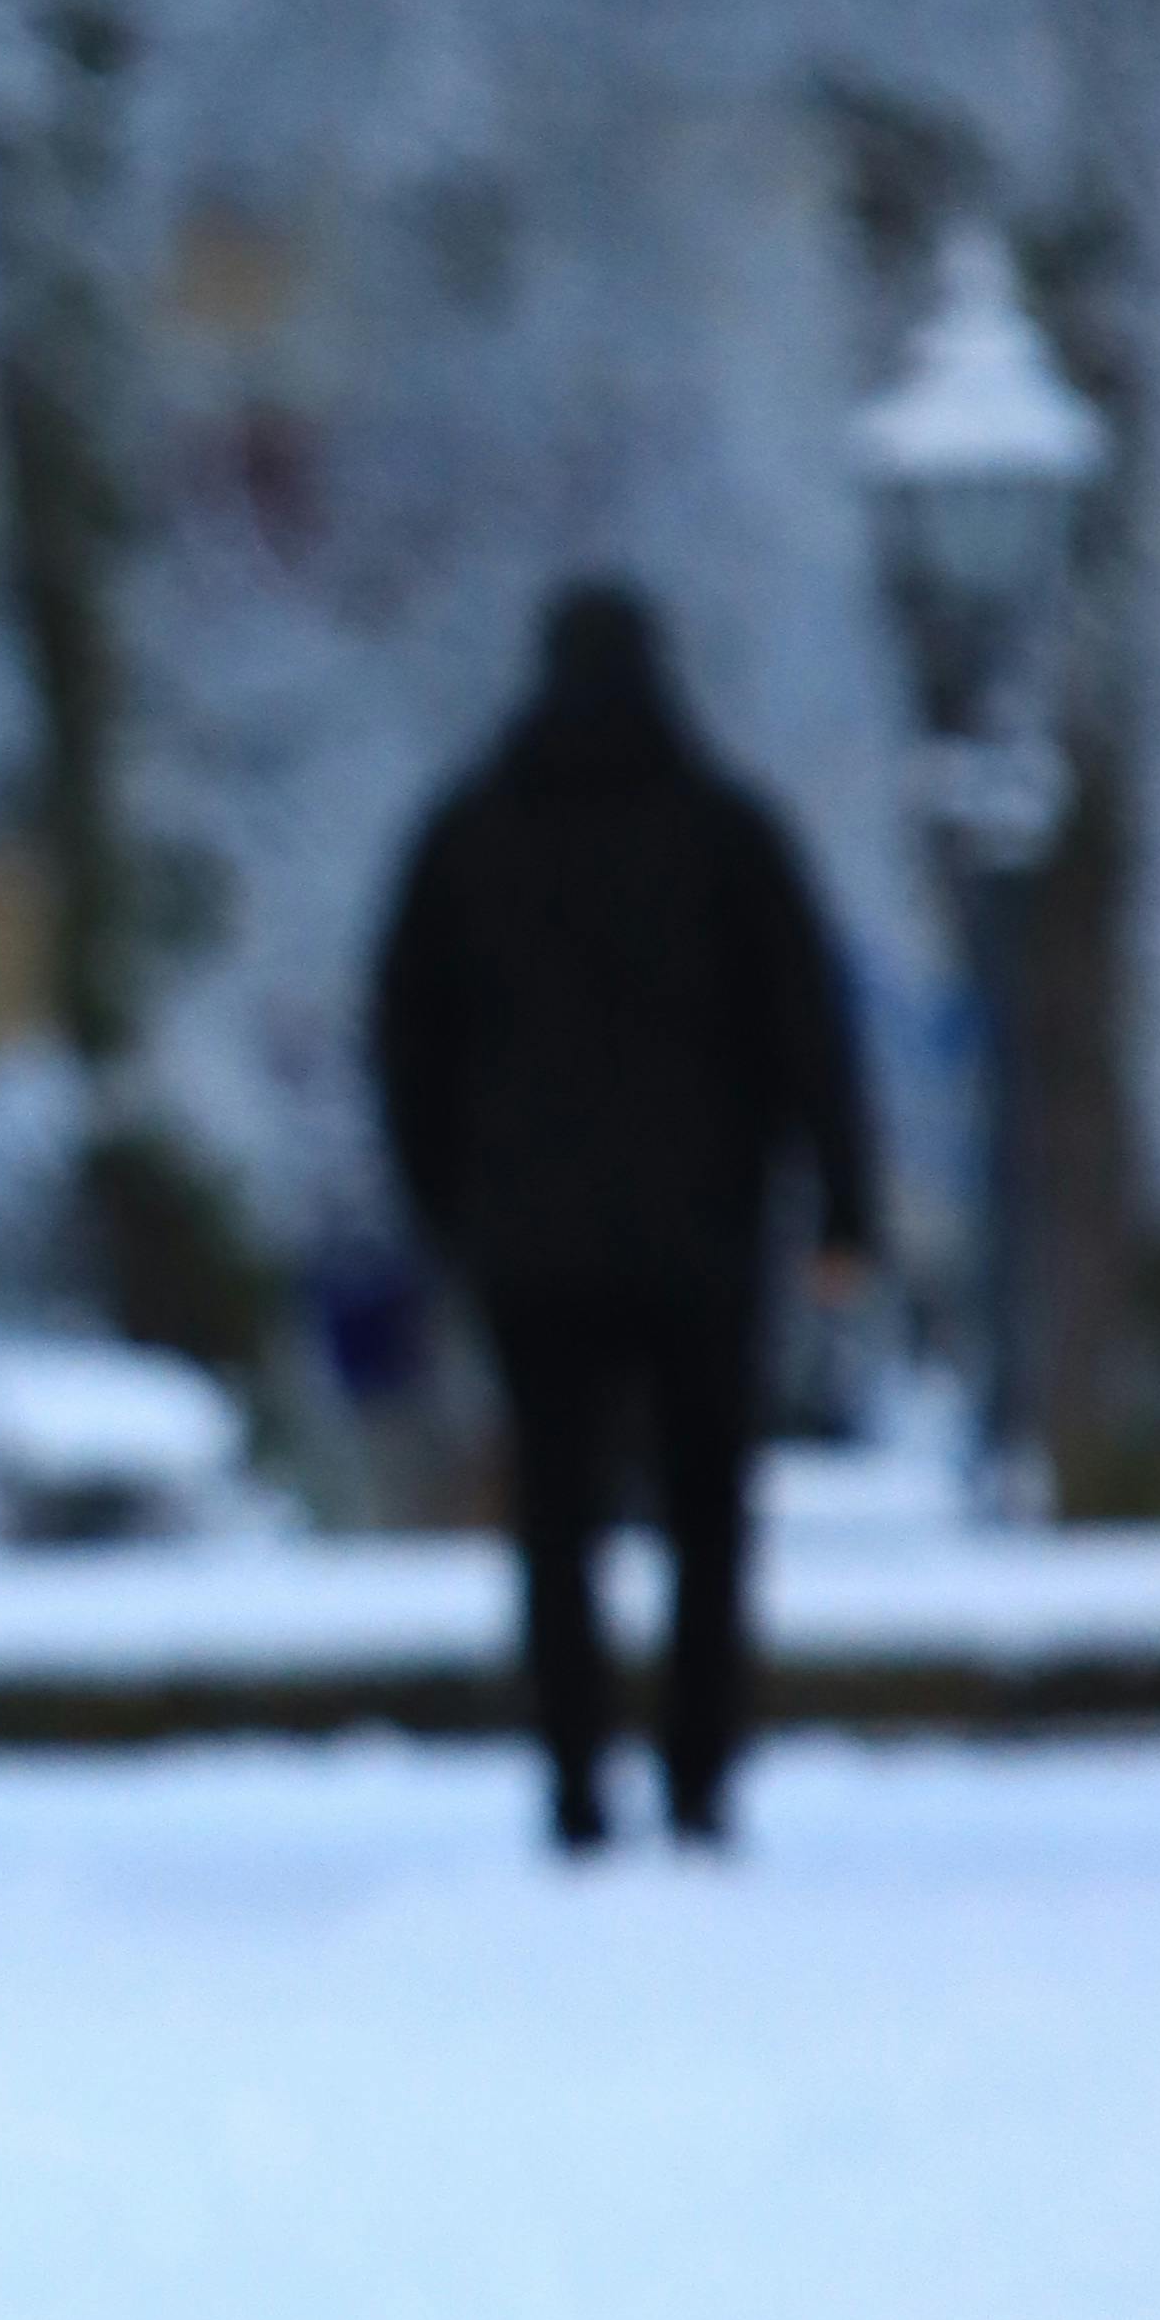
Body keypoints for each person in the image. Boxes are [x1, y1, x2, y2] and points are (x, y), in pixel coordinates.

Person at [372, 576, 877, 1853]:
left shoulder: (467, 837)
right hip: (701, 1238)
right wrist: (841, 1210)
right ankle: (698, 1777)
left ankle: (573, 1781)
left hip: (529, 1248)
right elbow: (808, 1032)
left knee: (553, 1516)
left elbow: (403, 1042)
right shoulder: (725, 835)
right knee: (707, 1515)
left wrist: (444, 1205)